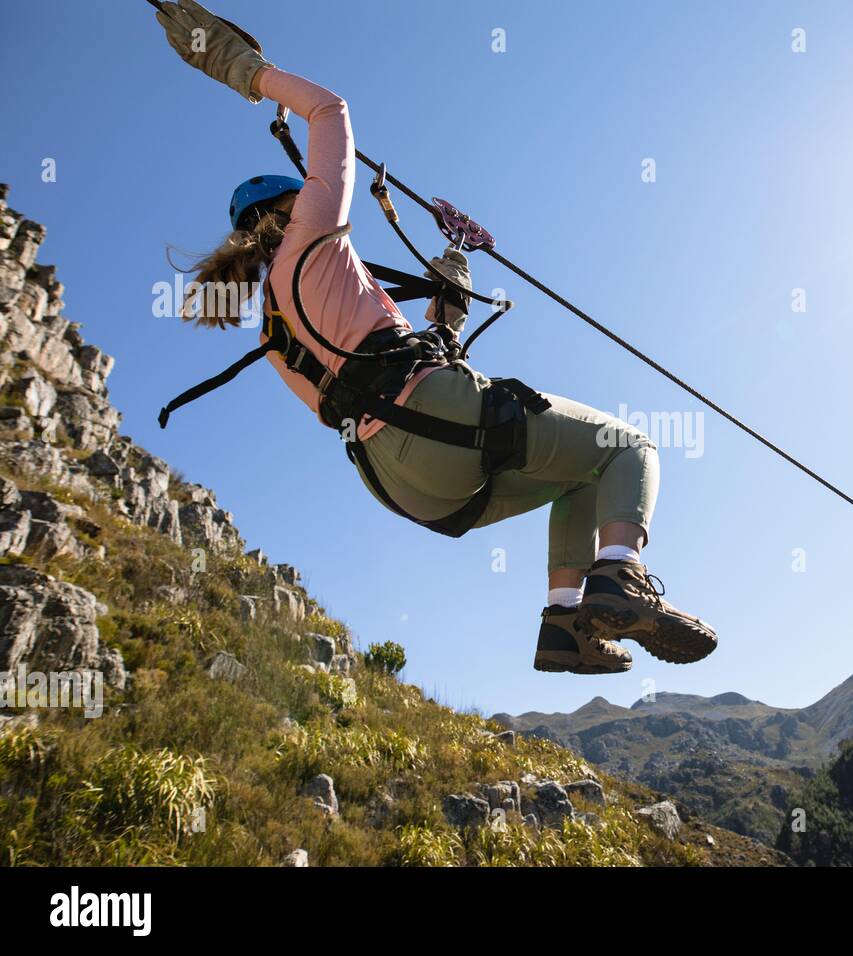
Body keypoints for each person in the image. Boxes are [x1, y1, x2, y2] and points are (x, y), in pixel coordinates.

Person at [154, 0, 716, 675]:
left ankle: (566, 627)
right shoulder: (314, 236)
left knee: (579, 480)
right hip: (433, 416)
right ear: (291, 205)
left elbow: (394, 377)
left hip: (403, 481)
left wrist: (449, 287)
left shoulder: (274, 332)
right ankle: (620, 575)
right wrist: (248, 72)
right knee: (626, 449)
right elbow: (330, 111)